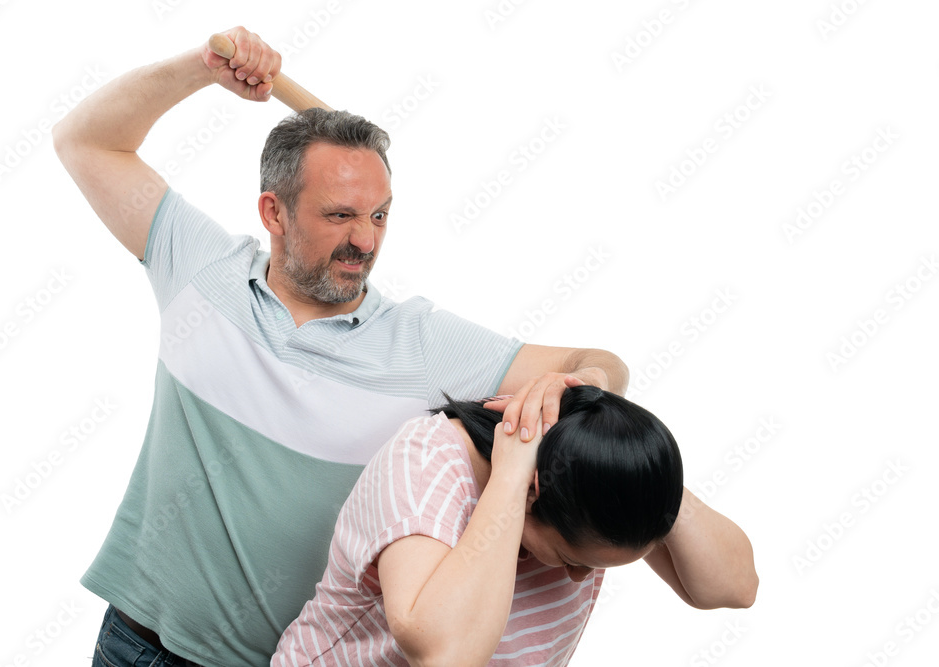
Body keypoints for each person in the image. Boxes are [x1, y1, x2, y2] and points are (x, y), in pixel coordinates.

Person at [52, 26, 632, 667]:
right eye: (339, 216)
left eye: (379, 215)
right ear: (273, 212)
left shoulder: (422, 344)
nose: (366, 240)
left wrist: (578, 386)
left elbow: (595, 362)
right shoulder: (199, 269)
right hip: (134, 645)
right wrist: (202, 69)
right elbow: (86, 140)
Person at [271, 386, 758, 666]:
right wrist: (510, 477)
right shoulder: (425, 462)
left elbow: (736, 587)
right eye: (573, 560)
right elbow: (445, 653)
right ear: (534, 495)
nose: (579, 580)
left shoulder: (585, 482)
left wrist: (636, 458)